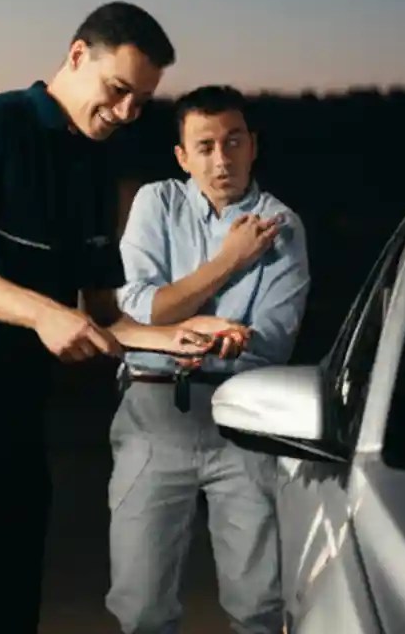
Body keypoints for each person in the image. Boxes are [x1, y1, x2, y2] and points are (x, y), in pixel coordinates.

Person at [0, 1, 213, 634]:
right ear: (77, 56)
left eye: (140, 103)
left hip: (19, 395)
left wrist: (173, 338)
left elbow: (102, 318)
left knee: (11, 577)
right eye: (118, 92)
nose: (124, 114)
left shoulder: (95, 167)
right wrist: (42, 315)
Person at [106, 84, 311, 634]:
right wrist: (229, 261)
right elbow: (139, 309)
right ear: (182, 157)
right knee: (141, 603)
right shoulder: (157, 202)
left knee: (259, 603)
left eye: (233, 141)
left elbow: (270, 340)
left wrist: (183, 321)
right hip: (153, 410)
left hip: (242, 421)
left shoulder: (282, 224)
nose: (221, 159)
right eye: (204, 146)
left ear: (253, 145)